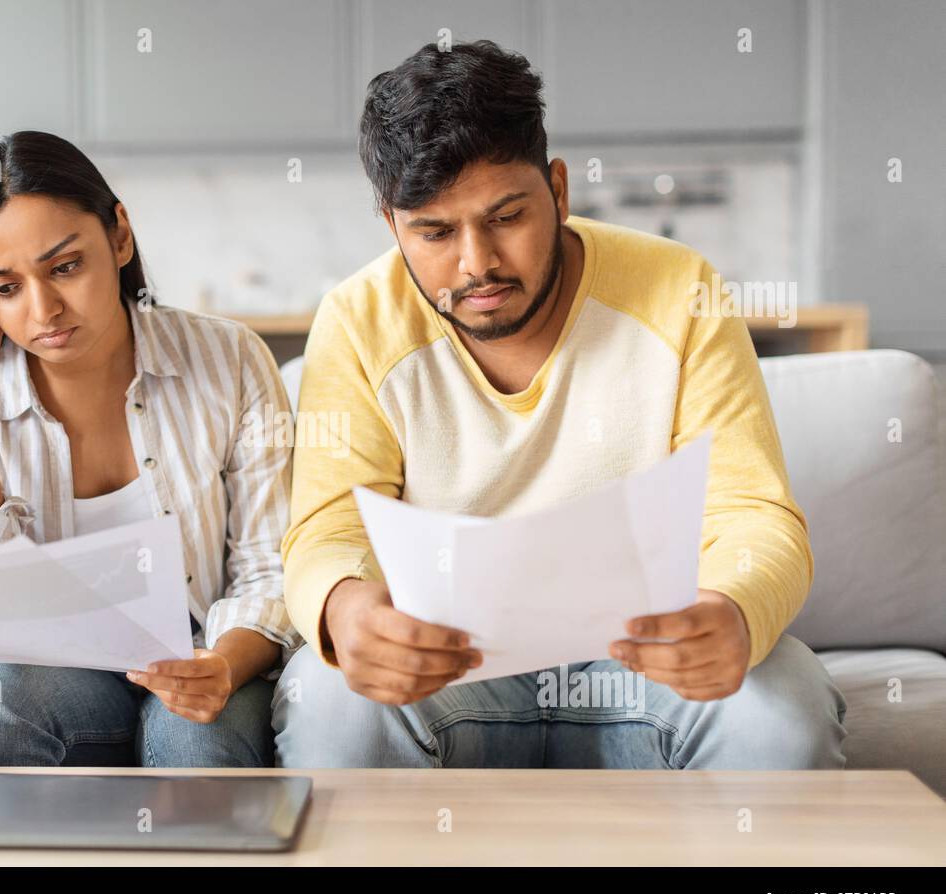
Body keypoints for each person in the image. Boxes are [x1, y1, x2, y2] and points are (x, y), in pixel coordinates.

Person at [275, 41, 847, 770]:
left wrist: (731, 609)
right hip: (451, 667)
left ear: (558, 190)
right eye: (436, 232)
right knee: (331, 709)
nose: (476, 262)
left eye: (506, 216)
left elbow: (751, 510)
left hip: (649, 660)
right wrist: (345, 609)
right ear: (392, 225)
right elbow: (327, 526)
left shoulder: (680, 290)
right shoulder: (357, 320)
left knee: (784, 716)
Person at [0, 131, 299, 767]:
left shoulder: (231, 360)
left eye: (65, 267)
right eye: (4, 287)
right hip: (53, 678)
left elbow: (269, 566)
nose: (44, 309)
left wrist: (219, 665)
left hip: (208, 659)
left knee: (192, 737)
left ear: (119, 236)